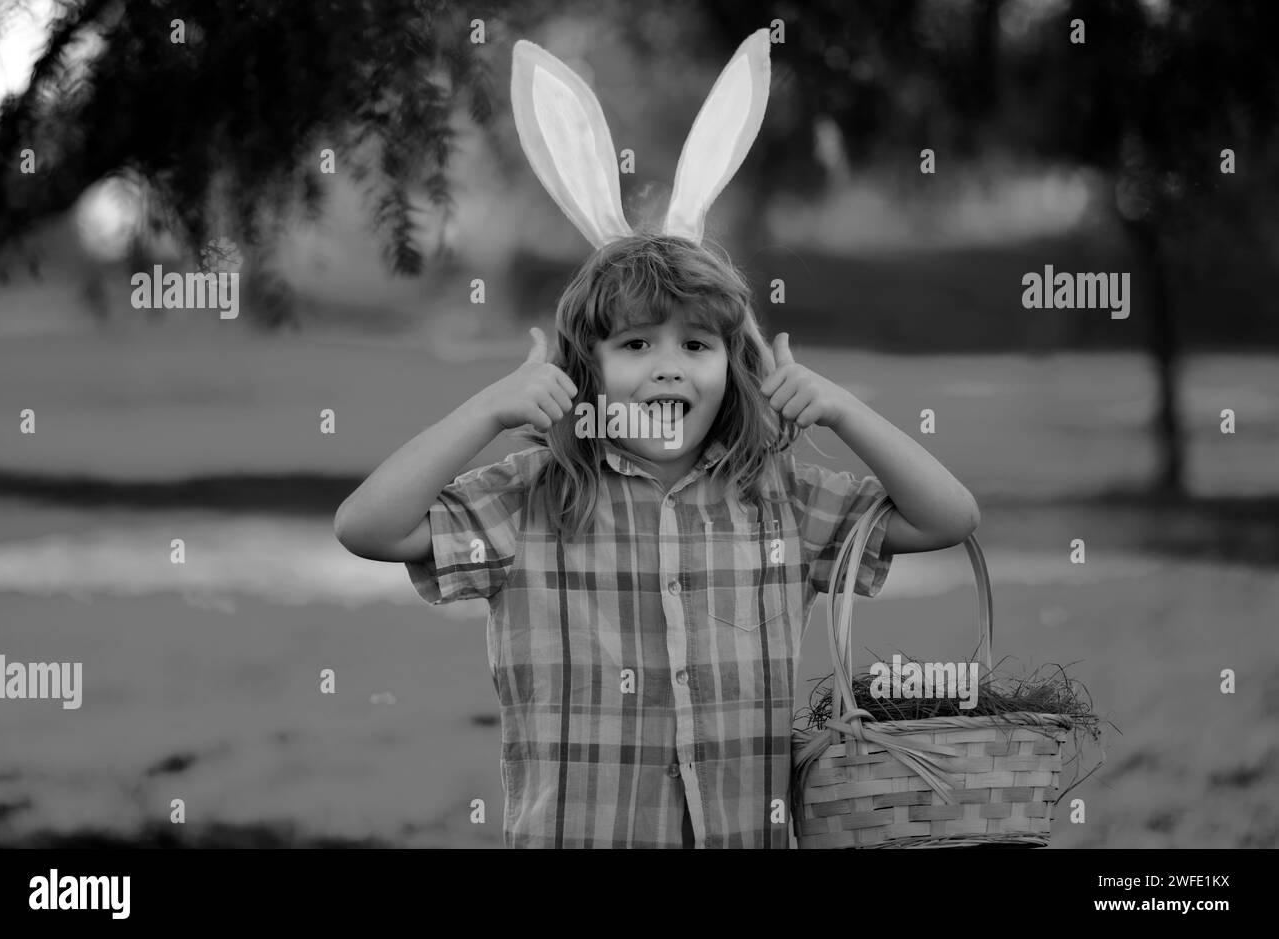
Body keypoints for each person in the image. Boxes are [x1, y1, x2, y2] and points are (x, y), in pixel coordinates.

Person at [334, 233, 980, 847]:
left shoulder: (782, 499)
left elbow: (947, 516)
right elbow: (367, 526)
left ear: (733, 366)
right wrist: (487, 409)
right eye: (637, 344)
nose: (669, 369)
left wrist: (842, 408)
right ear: (585, 370)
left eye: (697, 346)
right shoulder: (528, 498)